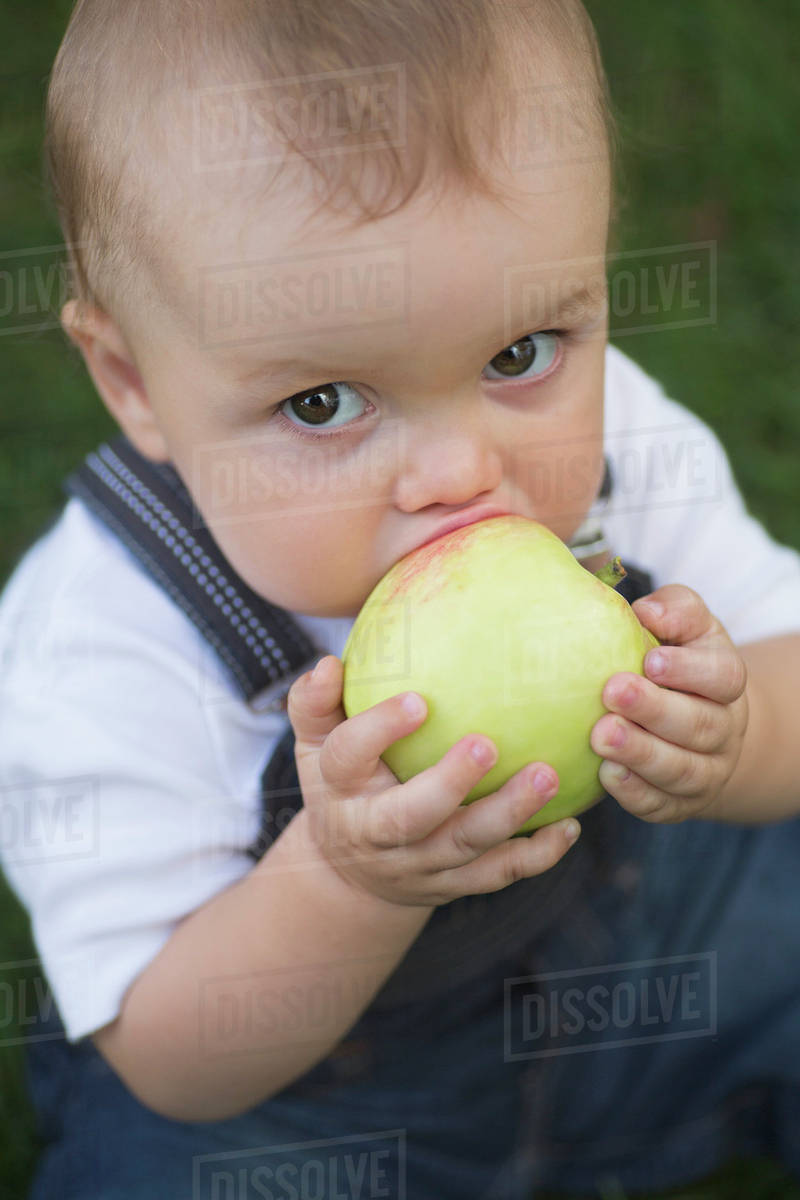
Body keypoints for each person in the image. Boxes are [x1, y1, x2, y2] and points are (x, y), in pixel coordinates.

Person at [1, 1, 800, 1196]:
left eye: (520, 353)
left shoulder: (622, 438)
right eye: (322, 403)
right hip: (319, 1096)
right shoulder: (103, 643)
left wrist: (727, 738)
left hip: (647, 957)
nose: (457, 475)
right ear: (135, 382)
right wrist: (343, 876)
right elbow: (171, 1057)